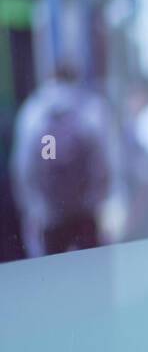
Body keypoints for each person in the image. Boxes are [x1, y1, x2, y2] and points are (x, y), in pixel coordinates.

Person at [9, 61, 114, 257]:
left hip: (49, 215)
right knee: (92, 270)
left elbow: (23, 167)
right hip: (85, 212)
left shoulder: (34, 110)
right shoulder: (90, 106)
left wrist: (34, 208)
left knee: (53, 275)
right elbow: (104, 161)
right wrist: (98, 200)